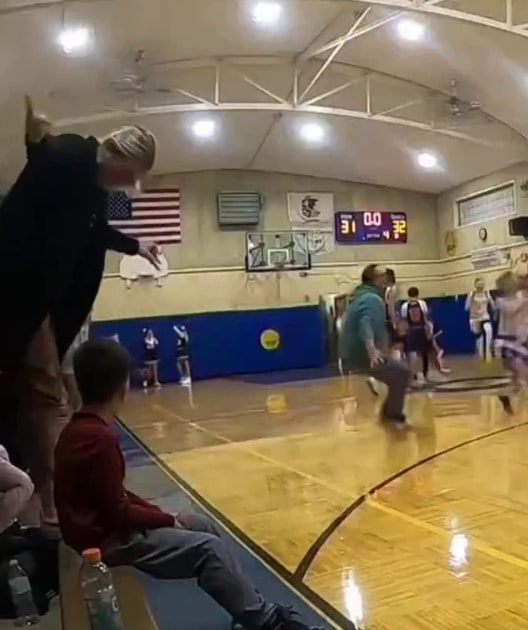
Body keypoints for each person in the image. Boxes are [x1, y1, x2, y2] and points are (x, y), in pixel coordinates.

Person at [54, 339, 321, 630]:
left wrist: (159, 514)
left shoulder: (78, 430)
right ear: (123, 386)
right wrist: (167, 519)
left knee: (199, 523)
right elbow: (118, 511)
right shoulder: (99, 438)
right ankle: (266, 621)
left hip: (99, 531)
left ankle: (249, 605)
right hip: (104, 542)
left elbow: (113, 495)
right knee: (208, 548)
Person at [0, 111, 162, 533]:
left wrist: (134, 244)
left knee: (43, 397)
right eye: (133, 175)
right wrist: (37, 143)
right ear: (123, 159)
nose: (130, 184)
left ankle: (43, 497)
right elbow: (37, 177)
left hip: (37, 305)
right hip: (18, 298)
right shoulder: (72, 158)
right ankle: (62, 505)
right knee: (49, 398)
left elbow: (93, 230)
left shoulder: (88, 187)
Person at [340, 265, 411, 424]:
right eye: (383, 274)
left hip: (353, 354)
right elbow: (365, 323)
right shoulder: (372, 299)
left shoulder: (361, 296)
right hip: (364, 355)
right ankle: (391, 413)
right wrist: (371, 349)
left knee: (397, 376)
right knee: (402, 374)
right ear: (375, 278)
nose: (387, 277)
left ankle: (390, 412)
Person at [492, 272, 528, 416]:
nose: (518, 282)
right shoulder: (501, 301)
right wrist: (527, 299)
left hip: (517, 342)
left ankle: (506, 396)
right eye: (515, 280)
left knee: (516, 378)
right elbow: (513, 308)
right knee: (526, 375)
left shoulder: (520, 296)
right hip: (505, 343)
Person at [399, 287, 434, 387]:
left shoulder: (404, 306)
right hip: (421, 329)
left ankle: (413, 375)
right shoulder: (422, 303)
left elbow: (404, 321)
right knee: (424, 352)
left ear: (408, 295)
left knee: (412, 352)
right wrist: (429, 331)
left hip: (411, 330)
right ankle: (425, 374)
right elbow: (426, 318)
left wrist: (404, 332)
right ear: (418, 294)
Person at [465, 278, 495, 362]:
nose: (481, 285)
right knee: (479, 336)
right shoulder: (472, 294)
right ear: (475, 285)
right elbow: (466, 307)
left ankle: (487, 354)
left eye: (482, 283)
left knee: (488, 330)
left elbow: (492, 304)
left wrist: (494, 308)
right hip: (474, 318)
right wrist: (471, 302)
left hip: (485, 317)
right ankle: (480, 352)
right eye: (479, 283)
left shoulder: (487, 293)